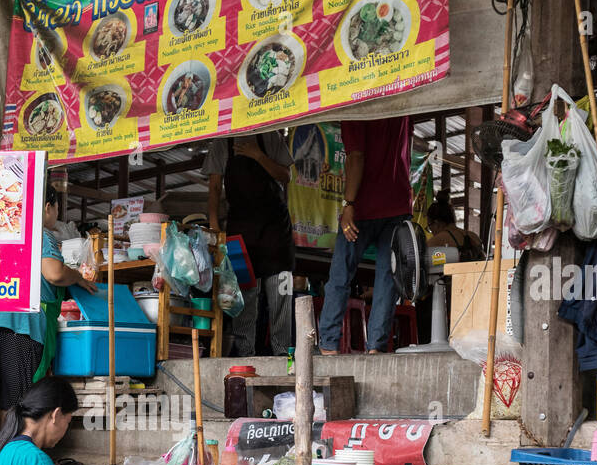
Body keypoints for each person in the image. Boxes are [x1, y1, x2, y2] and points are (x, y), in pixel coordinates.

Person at [0, 184, 94, 421]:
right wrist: (77, 276)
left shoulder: (0, 231)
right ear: (47, 206)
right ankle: (12, 452)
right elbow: (54, 273)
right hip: (22, 327)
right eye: (56, 209)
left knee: (2, 397)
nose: (56, 216)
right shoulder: (38, 233)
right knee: (19, 400)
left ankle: (0, 451)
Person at [319, 117, 412, 355]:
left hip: (362, 207)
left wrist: (348, 204)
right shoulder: (402, 104)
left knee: (341, 275)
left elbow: (356, 157)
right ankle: (376, 349)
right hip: (398, 204)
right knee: (387, 279)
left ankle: (329, 345)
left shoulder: (357, 103)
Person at [205, 131, 296, 356]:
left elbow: (286, 176)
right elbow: (215, 187)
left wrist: (257, 155)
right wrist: (215, 227)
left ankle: (283, 354)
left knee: (280, 295)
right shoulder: (221, 144)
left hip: (276, 231)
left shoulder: (271, 137)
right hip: (240, 232)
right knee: (244, 297)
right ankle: (245, 353)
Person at [425, 195, 484, 262]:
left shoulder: (434, 242)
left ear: (436, 223)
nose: (431, 232)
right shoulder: (474, 236)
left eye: (430, 227)